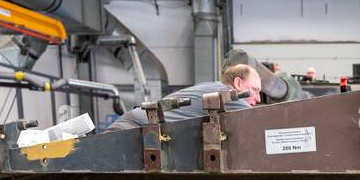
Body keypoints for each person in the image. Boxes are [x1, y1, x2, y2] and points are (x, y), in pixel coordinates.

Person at [106, 63, 263, 131]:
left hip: (136, 122)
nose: (258, 98)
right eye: (255, 90)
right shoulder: (227, 95)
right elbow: (262, 121)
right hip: (133, 127)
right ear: (238, 83)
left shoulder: (215, 89)